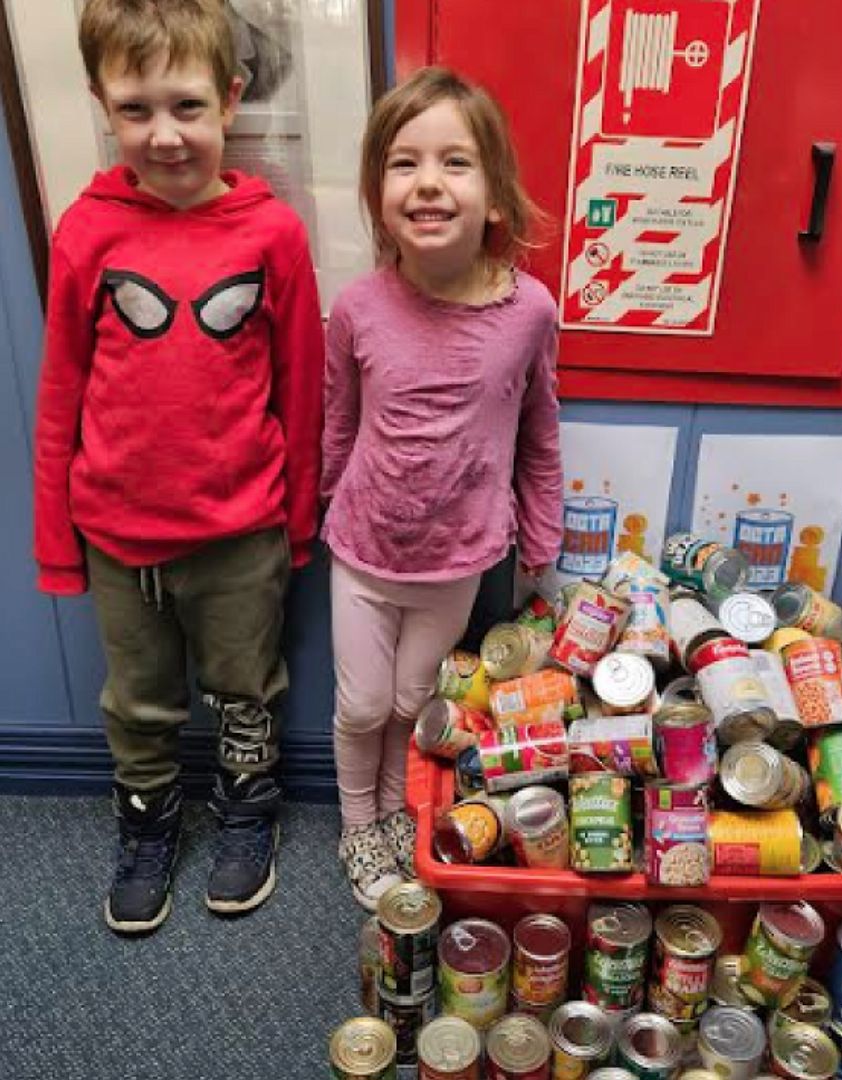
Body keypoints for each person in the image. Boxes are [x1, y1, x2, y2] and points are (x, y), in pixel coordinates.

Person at [33, 0, 323, 934]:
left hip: (243, 530)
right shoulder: (88, 231)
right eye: (136, 108)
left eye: (188, 106)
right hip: (119, 534)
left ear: (231, 99)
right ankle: (148, 820)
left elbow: (302, 389)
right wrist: (58, 547)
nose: (165, 134)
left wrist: (300, 521)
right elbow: (59, 399)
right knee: (139, 702)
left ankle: (247, 811)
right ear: (101, 104)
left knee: (247, 687)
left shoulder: (271, 234)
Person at [321, 66, 563, 910]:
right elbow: (339, 420)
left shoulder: (530, 310)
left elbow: (540, 431)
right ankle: (359, 821)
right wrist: (315, 505)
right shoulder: (357, 308)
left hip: (459, 563)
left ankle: (397, 812)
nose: (427, 182)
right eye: (403, 163)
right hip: (361, 549)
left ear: (495, 196)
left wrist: (542, 537)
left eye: (454, 162)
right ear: (378, 192)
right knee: (361, 706)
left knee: (416, 703)